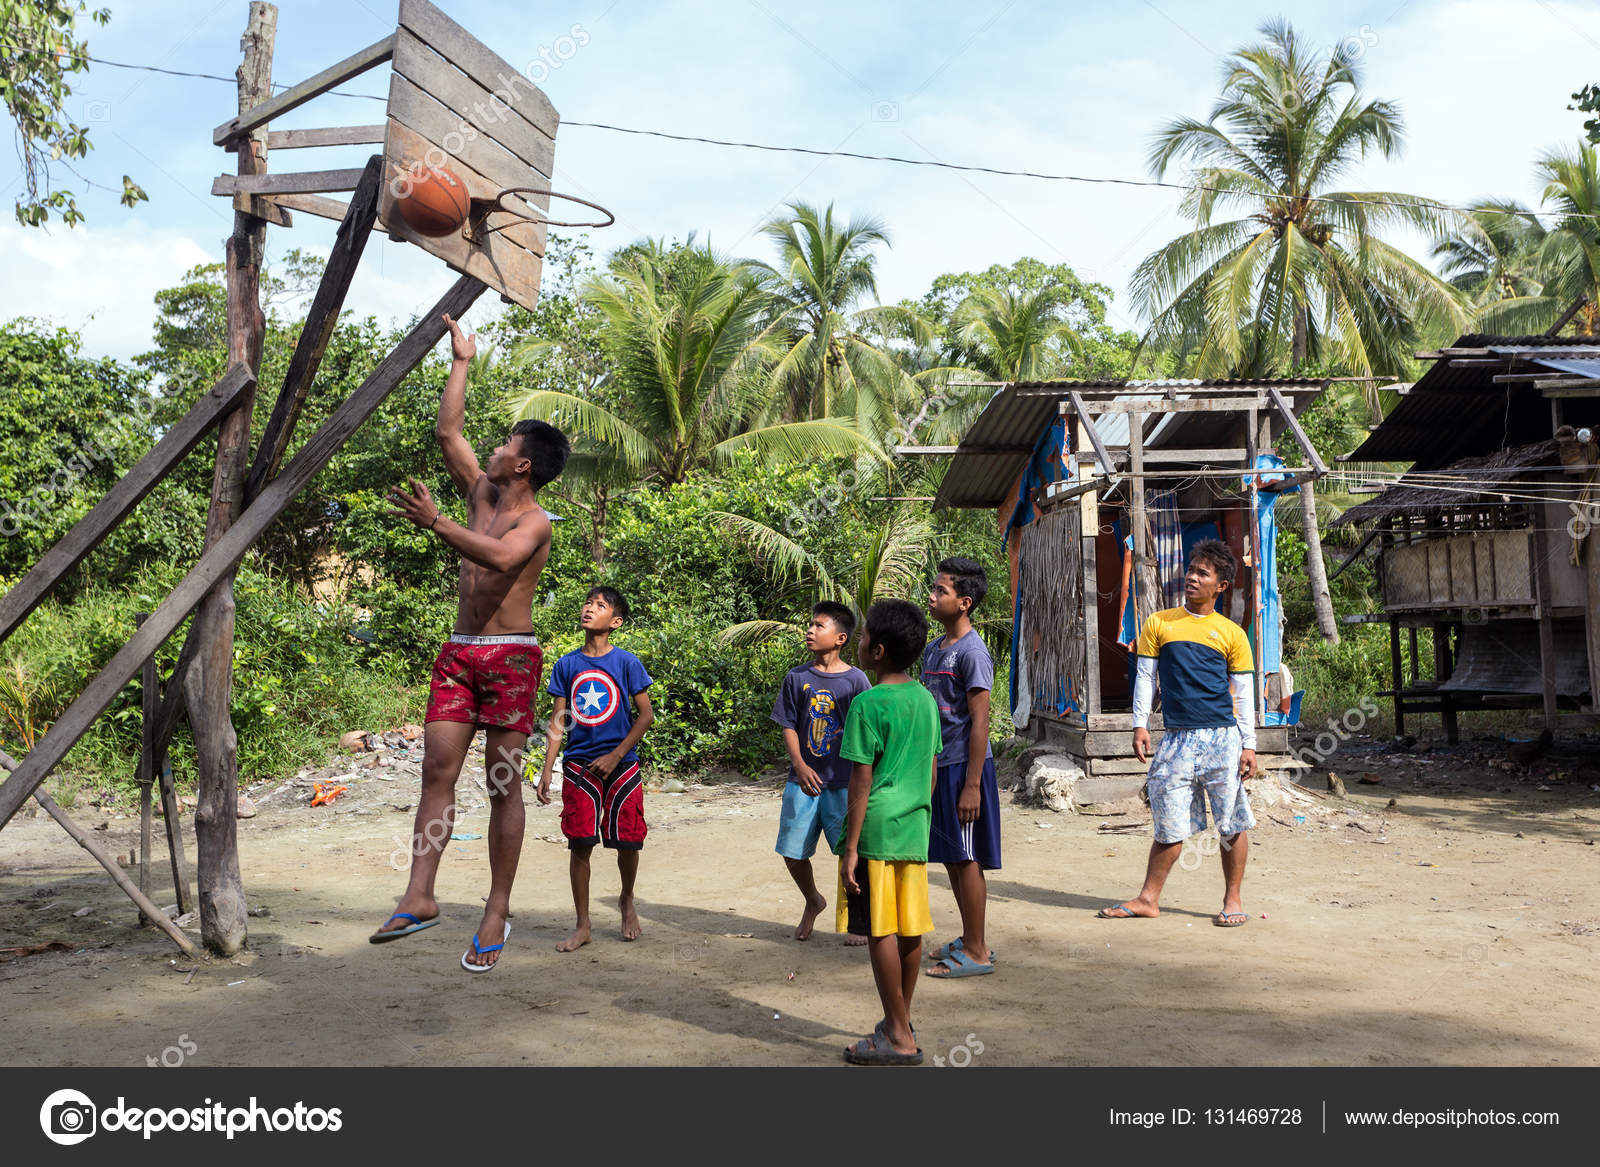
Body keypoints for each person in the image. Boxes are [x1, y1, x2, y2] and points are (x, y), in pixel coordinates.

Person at [371, 314, 569, 974]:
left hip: (511, 656)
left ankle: (496, 910)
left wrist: (436, 523)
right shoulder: (481, 490)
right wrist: (461, 361)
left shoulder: (534, 521)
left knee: (502, 784)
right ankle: (419, 894)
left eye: (506, 442)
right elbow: (446, 431)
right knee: (436, 772)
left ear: (525, 463)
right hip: (459, 651)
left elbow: (495, 553)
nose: (492, 447)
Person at [1097, 538, 1257, 927]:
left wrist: (1249, 745)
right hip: (1177, 738)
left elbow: (1244, 692)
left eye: (1202, 573)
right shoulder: (1159, 623)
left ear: (1220, 586)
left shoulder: (1232, 633)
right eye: (1191, 569)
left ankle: (1232, 900)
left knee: (1231, 823)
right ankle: (1149, 899)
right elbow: (1146, 677)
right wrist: (1139, 724)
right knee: (1168, 821)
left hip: (1222, 738)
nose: (1192, 577)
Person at [837, 599, 942, 1065]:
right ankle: (900, 1019)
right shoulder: (925, 699)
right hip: (914, 829)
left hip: (877, 829)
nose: (858, 645)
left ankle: (898, 1034)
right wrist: (919, 812)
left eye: (861, 638)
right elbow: (932, 770)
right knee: (910, 928)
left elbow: (860, 780)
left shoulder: (866, 704)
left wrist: (851, 847)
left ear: (877, 651)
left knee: (880, 929)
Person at [537, 587, 654, 951]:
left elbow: (646, 715)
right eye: (588, 603)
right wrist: (547, 768)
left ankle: (627, 899)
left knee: (628, 841)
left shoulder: (627, 663)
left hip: (622, 765)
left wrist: (617, 755)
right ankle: (583, 924)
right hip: (579, 767)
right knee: (580, 843)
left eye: (600, 605)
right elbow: (560, 720)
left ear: (615, 622)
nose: (589, 608)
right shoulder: (567, 664)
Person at [770, 602, 871, 943]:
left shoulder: (857, 680)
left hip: (844, 783)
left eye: (819, 626)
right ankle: (813, 899)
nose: (810, 631)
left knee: (850, 852)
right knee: (792, 851)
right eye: (809, 625)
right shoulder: (797, 677)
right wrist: (799, 765)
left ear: (840, 638)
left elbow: (867, 729)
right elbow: (787, 724)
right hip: (803, 782)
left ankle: (856, 919)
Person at [922, 556, 1000, 978]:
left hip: (965, 770)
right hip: (942, 767)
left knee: (968, 858)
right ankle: (971, 936)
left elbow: (981, 722)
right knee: (954, 856)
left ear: (964, 602)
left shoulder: (973, 653)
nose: (932, 597)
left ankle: (977, 951)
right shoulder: (936, 648)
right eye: (933, 589)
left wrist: (972, 785)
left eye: (941, 591)